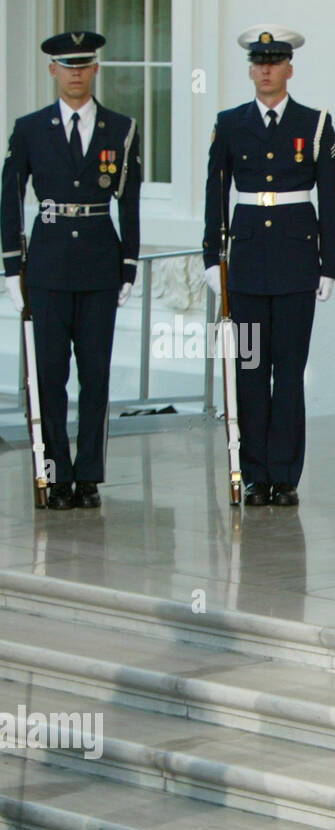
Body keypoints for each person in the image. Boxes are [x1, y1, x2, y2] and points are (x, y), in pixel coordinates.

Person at [202, 24, 335, 507]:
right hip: (245, 262)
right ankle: (254, 473)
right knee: (249, 368)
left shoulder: (315, 123)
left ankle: (284, 476)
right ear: (251, 69)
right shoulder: (229, 123)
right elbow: (215, 194)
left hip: (296, 259)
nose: (265, 69)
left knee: (289, 371)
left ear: (289, 68)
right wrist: (210, 257)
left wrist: (330, 265)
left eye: (274, 61)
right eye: (258, 62)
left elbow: (332, 196)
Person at [2, 31, 140, 510]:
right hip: (49, 264)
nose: (76, 73)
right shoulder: (29, 128)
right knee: (49, 374)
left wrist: (128, 266)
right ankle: (55, 473)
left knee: (96, 374)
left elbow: (132, 202)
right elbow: (10, 198)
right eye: (67, 65)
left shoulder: (120, 128)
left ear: (95, 69)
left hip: (101, 262)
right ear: (52, 71)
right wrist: (10, 269)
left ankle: (89, 475)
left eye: (84, 65)